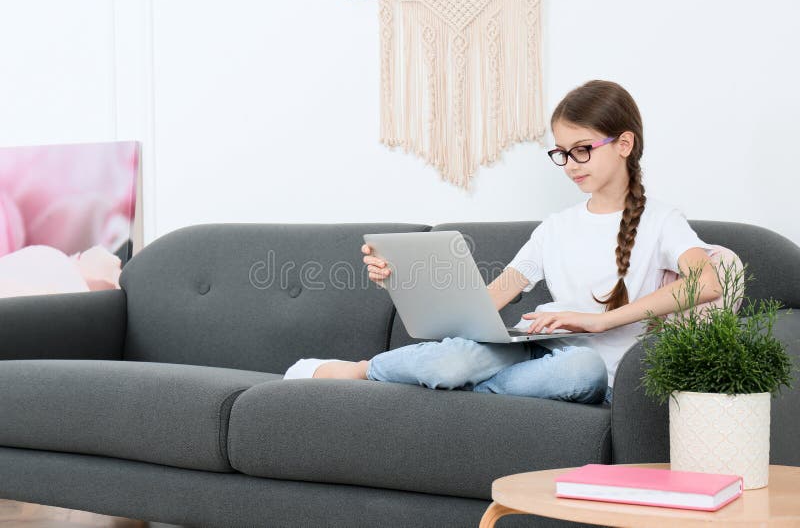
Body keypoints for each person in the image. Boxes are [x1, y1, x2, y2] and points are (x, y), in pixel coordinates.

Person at [283, 80, 723, 405]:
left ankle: (456, 390)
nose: (570, 164)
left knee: (581, 366)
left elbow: (706, 283)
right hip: (529, 348)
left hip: (592, 370)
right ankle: (360, 371)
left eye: (582, 149)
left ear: (624, 143)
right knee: (451, 361)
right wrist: (400, 283)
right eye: (561, 152)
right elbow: (492, 298)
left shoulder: (662, 220)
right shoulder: (555, 227)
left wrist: (600, 322)